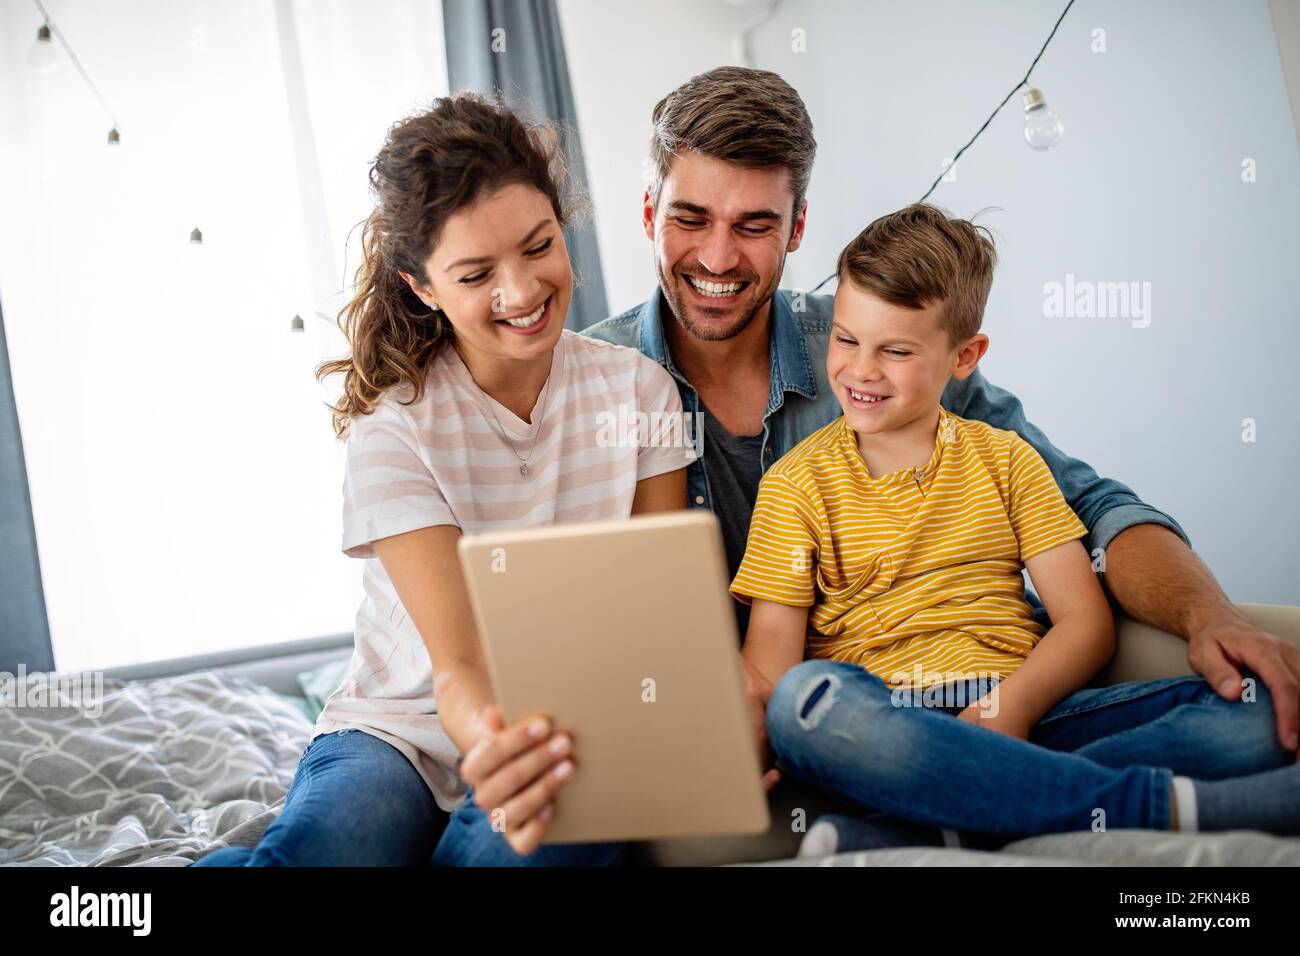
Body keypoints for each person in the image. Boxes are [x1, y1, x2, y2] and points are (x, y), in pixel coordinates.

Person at [581, 67, 1300, 806]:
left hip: (1000, 702)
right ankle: (1110, 806)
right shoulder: (588, 384)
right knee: (817, 705)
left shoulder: (894, 342)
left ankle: (972, 804)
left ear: (797, 227)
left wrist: (1209, 615)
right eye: (691, 218)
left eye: (755, 225)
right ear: (647, 212)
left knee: (1256, 719)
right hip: (846, 721)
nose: (720, 257)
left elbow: (1094, 509)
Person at [194, 92, 693, 867]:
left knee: (546, 831)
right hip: (403, 730)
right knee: (329, 851)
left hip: (565, 732)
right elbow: (457, 667)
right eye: (476, 273)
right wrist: (495, 745)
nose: (523, 292)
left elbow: (661, 614)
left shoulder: (641, 393)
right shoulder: (393, 423)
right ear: (422, 285)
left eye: (539, 246)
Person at [731, 204, 1299, 855]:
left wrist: (1015, 707)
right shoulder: (794, 485)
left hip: (1028, 710)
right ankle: (1149, 805)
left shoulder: (1006, 459)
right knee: (809, 701)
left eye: (895, 350)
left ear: (965, 356)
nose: (861, 370)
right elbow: (773, 669)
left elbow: (1085, 623)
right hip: (888, 727)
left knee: (1255, 713)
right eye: (846, 338)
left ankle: (935, 824)